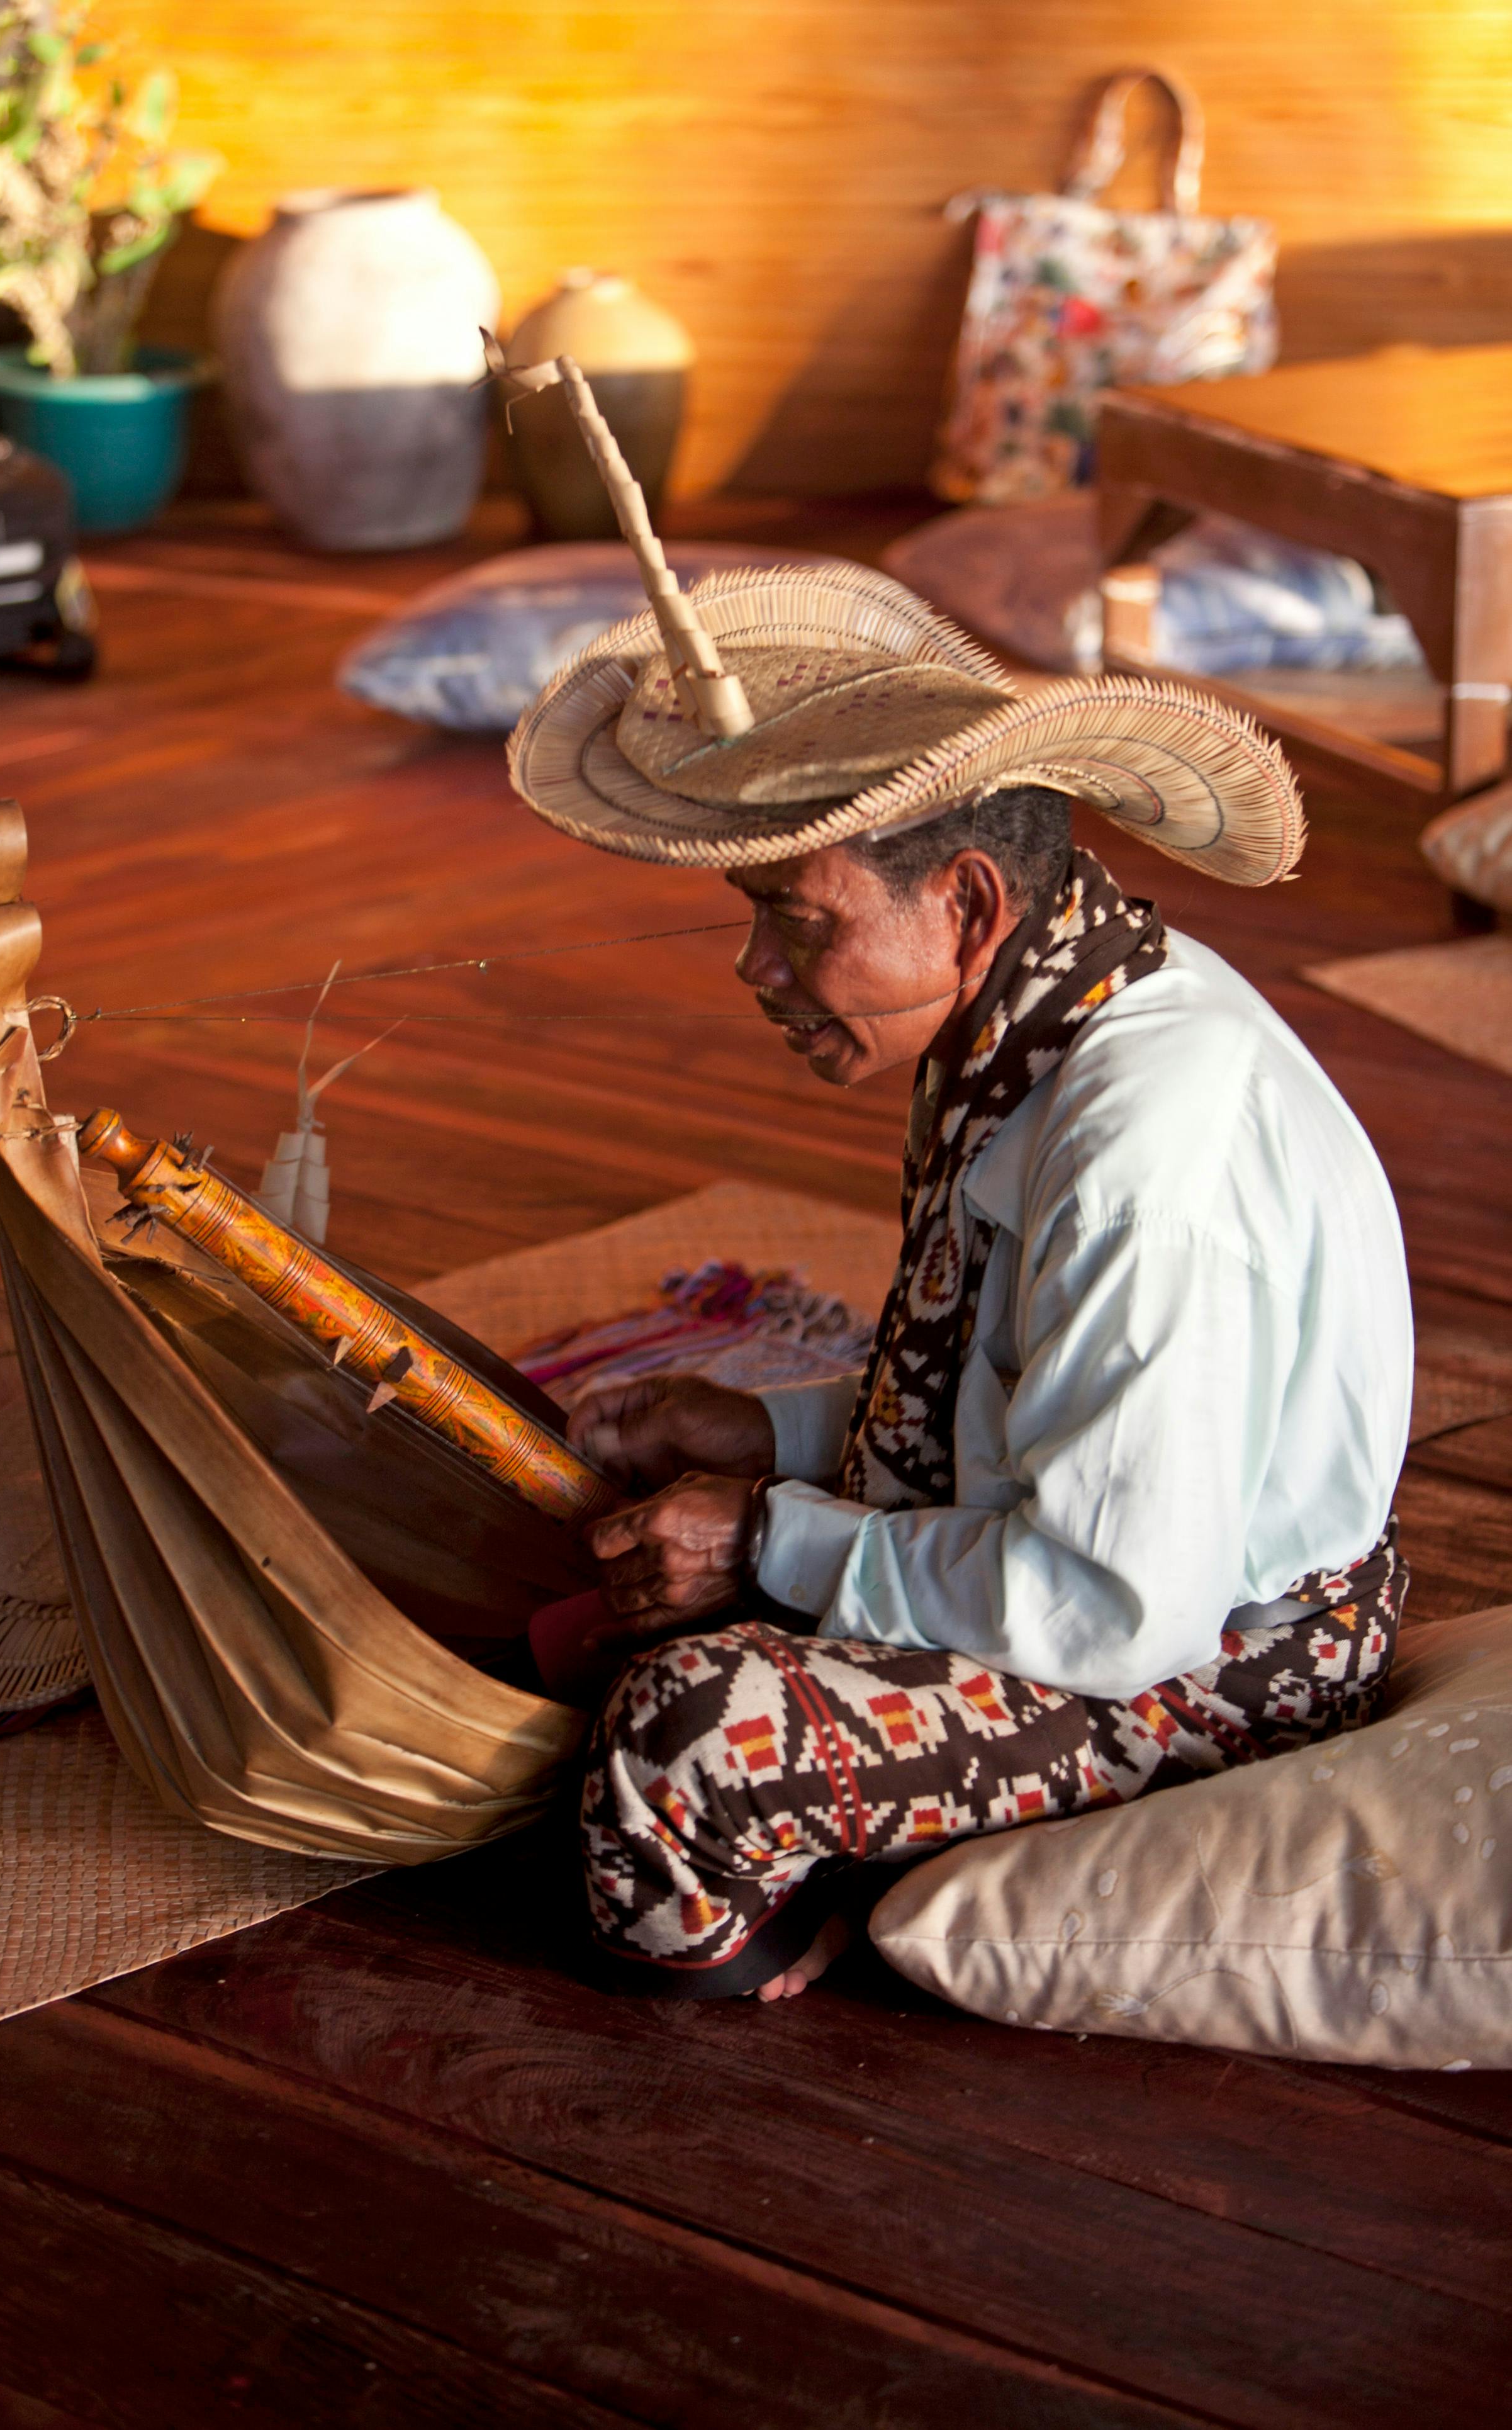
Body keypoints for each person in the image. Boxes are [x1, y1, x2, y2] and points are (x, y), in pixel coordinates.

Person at [505, 536, 1411, 2006]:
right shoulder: (1035, 1006)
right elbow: (1006, 1389)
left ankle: (819, 1916)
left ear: (969, 906)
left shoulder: (1141, 1155)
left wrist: (761, 1544)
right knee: (573, 1590)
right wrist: (771, 1432)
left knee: (678, 1740)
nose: (755, 970)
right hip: (1102, 1568)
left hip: (1217, 1659)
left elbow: (1116, 1604)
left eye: (797, 919)